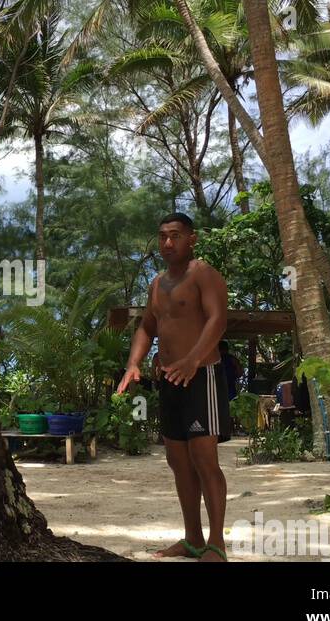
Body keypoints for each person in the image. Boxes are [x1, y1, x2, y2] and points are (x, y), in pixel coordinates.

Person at [117, 212, 231, 562]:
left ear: (191, 239)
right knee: (177, 461)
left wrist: (193, 359)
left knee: (203, 459)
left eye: (176, 235)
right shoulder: (156, 284)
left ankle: (216, 544)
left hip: (201, 377)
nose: (168, 243)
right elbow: (147, 328)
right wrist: (134, 362)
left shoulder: (203, 274)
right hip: (169, 380)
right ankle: (192, 539)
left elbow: (218, 319)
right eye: (163, 236)